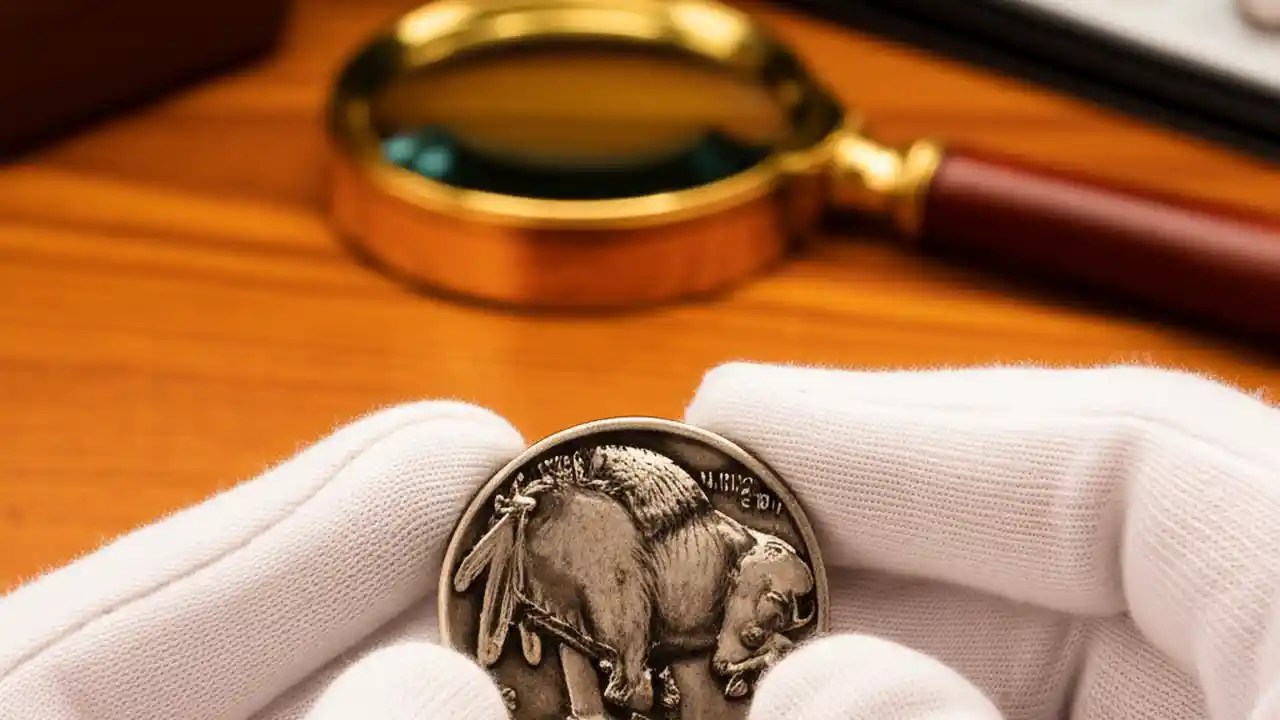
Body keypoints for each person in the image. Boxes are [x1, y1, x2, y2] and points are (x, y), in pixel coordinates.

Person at [1, 363, 1277, 719]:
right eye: (771, 611)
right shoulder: (687, 560)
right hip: (598, 557)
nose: (771, 632)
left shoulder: (745, 576)